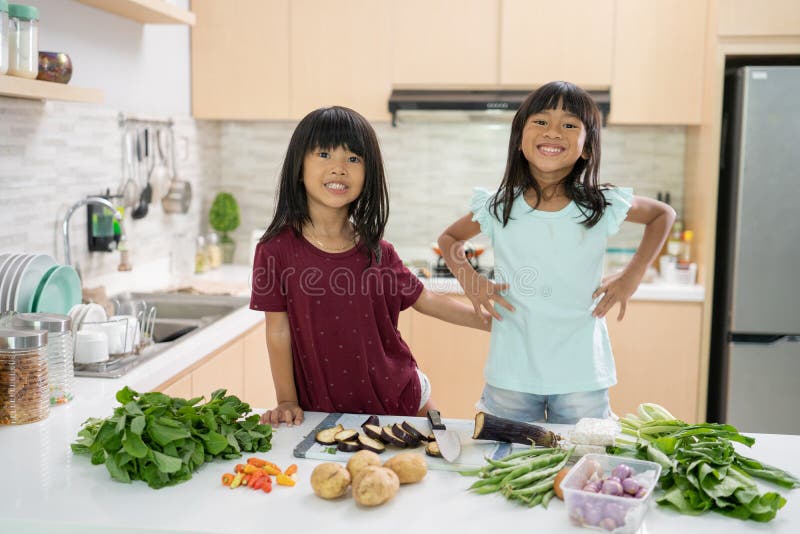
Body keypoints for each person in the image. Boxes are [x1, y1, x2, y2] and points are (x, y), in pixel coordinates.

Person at [437, 81, 675, 424]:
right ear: (520, 139)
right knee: (508, 465)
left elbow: (662, 215)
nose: (553, 132)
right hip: (512, 374)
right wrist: (471, 281)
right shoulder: (499, 206)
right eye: (541, 121)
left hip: (581, 374)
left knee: (583, 464)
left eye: (569, 125)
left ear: (587, 148)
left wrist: (631, 276)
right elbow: (449, 239)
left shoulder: (599, 204)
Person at [251, 106, 490, 427]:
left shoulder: (379, 252)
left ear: (368, 174)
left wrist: (492, 322)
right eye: (324, 154)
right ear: (298, 167)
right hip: (324, 413)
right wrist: (286, 400)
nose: (339, 168)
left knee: (438, 468)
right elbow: (277, 331)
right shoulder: (274, 251)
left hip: (403, 399)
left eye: (353, 159)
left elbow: (428, 301)